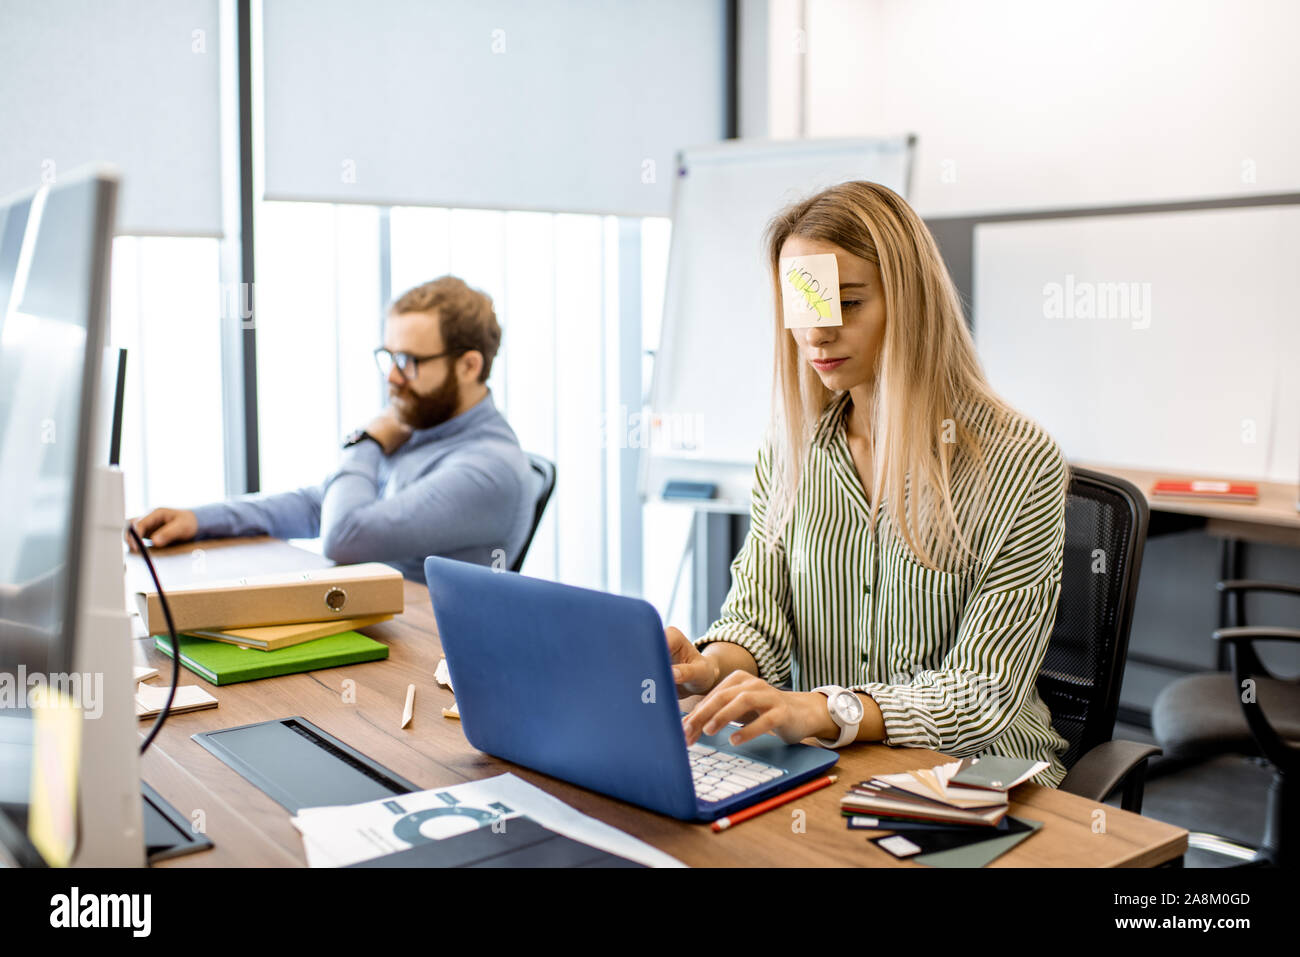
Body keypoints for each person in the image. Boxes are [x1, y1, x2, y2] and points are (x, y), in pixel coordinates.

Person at [669, 181, 1073, 787]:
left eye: (848, 304)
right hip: (835, 765)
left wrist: (828, 709)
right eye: (804, 308)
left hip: (981, 773)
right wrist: (708, 667)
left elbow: (982, 694)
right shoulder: (791, 456)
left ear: (910, 302)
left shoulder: (1018, 460)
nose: (817, 335)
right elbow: (760, 621)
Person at [130, 276, 536, 582]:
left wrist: (366, 441)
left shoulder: (488, 468)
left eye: (409, 361)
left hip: (420, 662)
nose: (392, 378)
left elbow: (344, 537)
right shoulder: (424, 427)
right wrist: (199, 520)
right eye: (388, 357)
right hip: (379, 628)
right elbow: (320, 506)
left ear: (469, 366)